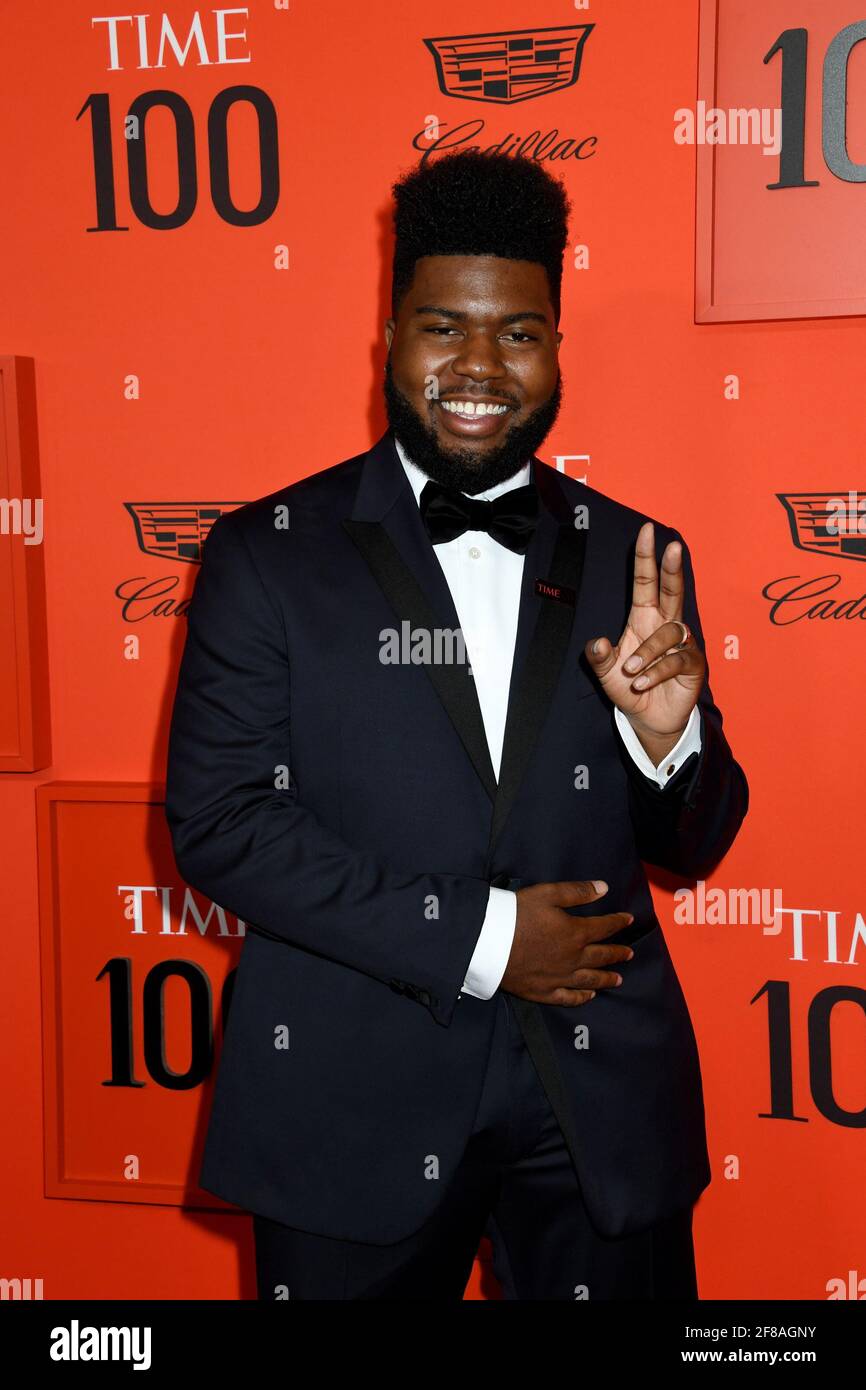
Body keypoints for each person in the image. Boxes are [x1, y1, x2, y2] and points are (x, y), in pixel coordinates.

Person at [165, 149, 749, 1301]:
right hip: (349, 1094)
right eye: (444, 325)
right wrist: (485, 941)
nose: (478, 366)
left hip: (592, 1107)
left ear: (554, 348)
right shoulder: (265, 554)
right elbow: (222, 824)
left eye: (518, 333)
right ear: (388, 338)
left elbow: (698, 838)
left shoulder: (633, 553)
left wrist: (665, 741)